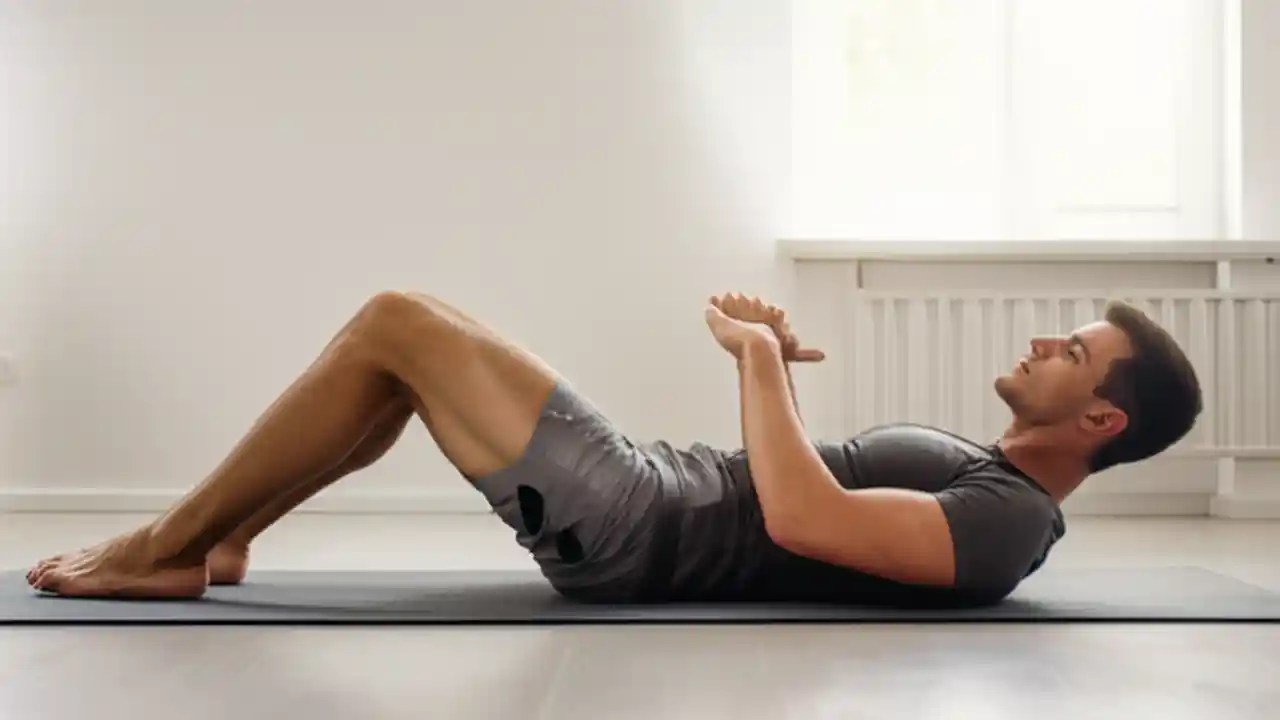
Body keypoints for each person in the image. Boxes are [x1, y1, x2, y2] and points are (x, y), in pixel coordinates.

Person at [26, 290, 1202, 606]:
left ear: (1100, 421)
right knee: (397, 347)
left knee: (397, 323)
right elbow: (809, 491)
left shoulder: (1005, 526)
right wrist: (774, 374)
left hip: (640, 528)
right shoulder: (989, 478)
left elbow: (801, 521)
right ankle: (219, 536)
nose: (1042, 341)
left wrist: (752, 360)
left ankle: (166, 547)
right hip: (655, 490)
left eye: (1071, 350)